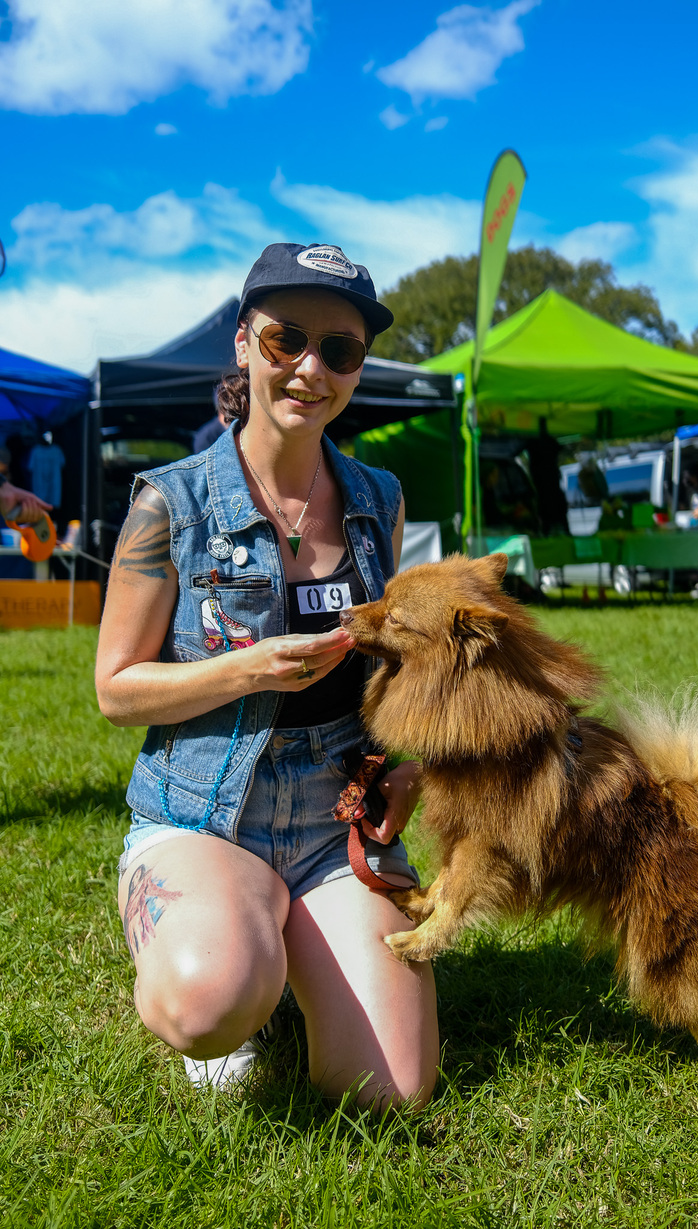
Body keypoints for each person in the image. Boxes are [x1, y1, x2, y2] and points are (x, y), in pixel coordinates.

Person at [95, 242, 439, 1112]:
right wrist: (245, 669)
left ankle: (286, 942)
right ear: (245, 344)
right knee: (206, 1001)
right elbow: (115, 688)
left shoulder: (379, 498)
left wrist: (408, 765)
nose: (310, 368)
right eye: (287, 339)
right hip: (203, 815)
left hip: (337, 819)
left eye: (341, 350)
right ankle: (237, 960)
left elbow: (396, 667)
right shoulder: (168, 503)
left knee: (386, 1090)